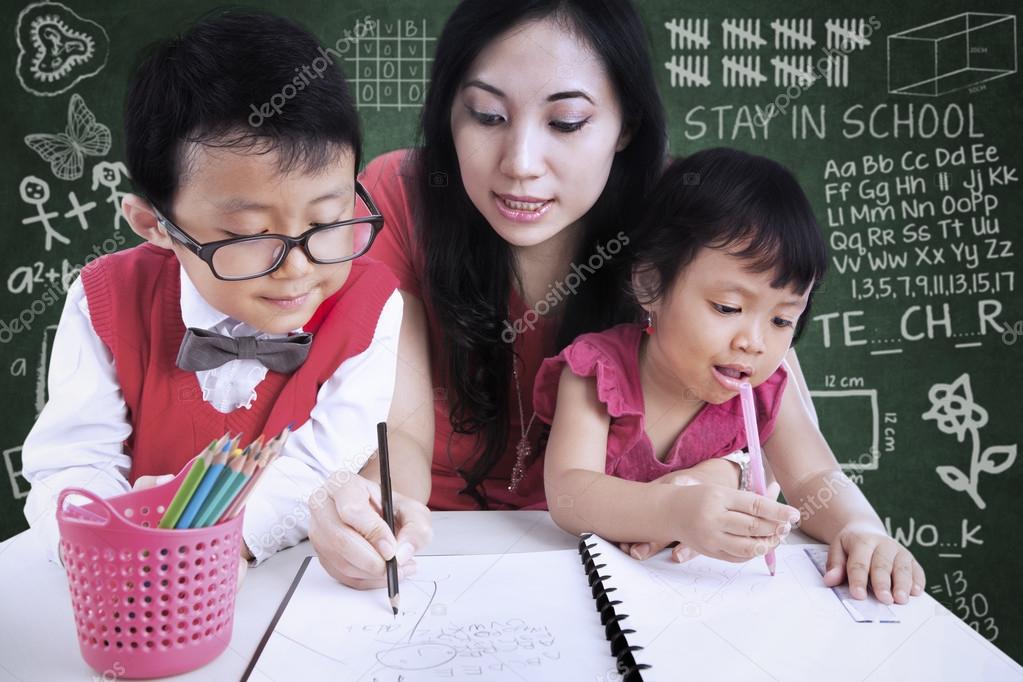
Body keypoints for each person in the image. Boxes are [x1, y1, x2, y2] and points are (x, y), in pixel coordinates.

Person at [309, 0, 821, 589]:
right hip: (440, 549)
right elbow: (401, 429)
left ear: (626, 123)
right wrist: (378, 510)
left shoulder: (688, 215)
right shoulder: (399, 196)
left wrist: (722, 475)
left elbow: (767, 402)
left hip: (623, 561)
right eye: (486, 115)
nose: (521, 164)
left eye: (567, 123)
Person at [21, 11, 418, 572]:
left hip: (284, 583)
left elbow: (319, 466)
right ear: (154, 225)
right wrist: (113, 539)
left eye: (328, 219)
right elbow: (71, 462)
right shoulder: (103, 300)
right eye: (250, 236)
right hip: (129, 590)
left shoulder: (371, 305)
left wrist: (196, 551)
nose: (298, 267)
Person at [537, 149, 926, 605]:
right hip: (587, 596)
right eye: (727, 308)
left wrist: (859, 526)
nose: (754, 342)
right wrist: (675, 511)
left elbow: (816, 477)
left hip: (710, 602)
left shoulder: (765, 389)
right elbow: (569, 494)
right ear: (649, 285)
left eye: (782, 321)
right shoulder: (598, 371)